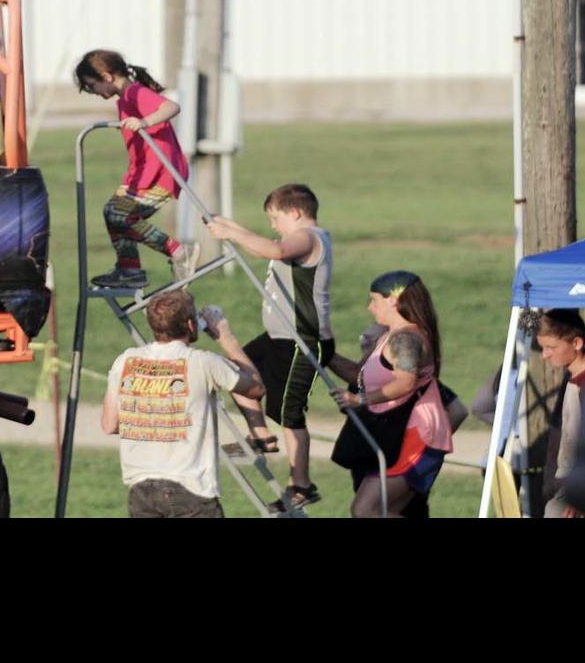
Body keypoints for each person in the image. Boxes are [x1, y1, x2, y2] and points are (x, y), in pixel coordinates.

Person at [206, 183, 335, 509]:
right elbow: (270, 243)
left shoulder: (309, 237)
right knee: (236, 371)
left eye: (276, 219)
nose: (273, 227)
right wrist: (229, 226)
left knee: (289, 413)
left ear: (295, 213)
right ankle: (260, 435)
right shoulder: (295, 237)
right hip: (279, 338)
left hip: (301, 341)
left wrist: (234, 235)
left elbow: (275, 250)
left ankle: (301, 485)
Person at [101, 291, 265, 518]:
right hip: (191, 490)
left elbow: (110, 424)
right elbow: (256, 388)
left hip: (141, 491)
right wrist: (226, 338)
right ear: (190, 324)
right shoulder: (203, 362)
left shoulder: (125, 360)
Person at [330, 271, 453, 517]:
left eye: (374, 300)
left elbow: (405, 382)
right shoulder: (389, 336)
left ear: (393, 301)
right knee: (381, 511)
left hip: (417, 435)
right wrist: (325, 354)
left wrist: (360, 400)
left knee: (366, 510)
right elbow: (359, 374)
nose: (370, 307)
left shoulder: (406, 339)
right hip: (397, 437)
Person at [74, 49, 197, 289]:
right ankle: (130, 270)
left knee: (122, 216)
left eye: (91, 86)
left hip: (161, 173)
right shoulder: (125, 98)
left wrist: (144, 122)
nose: (93, 92)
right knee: (112, 213)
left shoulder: (135, 93)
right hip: (142, 173)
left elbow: (171, 107)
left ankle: (180, 251)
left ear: (107, 76)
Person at [535, 309, 585, 518]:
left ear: (577, 343)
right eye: (543, 348)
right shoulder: (574, 379)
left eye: (551, 347)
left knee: (554, 511)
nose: (544, 355)